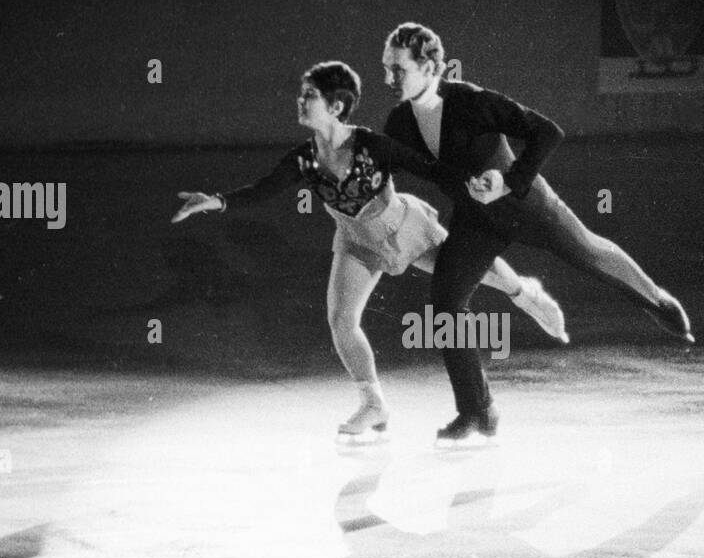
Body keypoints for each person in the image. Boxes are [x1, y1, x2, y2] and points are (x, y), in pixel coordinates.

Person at [171, 61, 568, 441]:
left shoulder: (372, 145)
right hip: (356, 243)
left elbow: (429, 168)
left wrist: (487, 185)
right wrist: (216, 201)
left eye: (308, 95)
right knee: (341, 319)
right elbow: (263, 190)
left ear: (336, 106)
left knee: (472, 270)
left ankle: (526, 294)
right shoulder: (304, 158)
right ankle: (373, 402)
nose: (299, 100)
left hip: (404, 230)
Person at [381, 23, 694, 445]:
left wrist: (508, 181)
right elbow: (391, 165)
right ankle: (478, 410)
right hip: (476, 221)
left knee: (590, 253)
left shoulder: (472, 101)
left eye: (398, 69)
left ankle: (656, 299)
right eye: (387, 69)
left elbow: (547, 131)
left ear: (429, 65)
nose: (389, 79)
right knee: (446, 302)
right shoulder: (400, 123)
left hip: (526, 205)